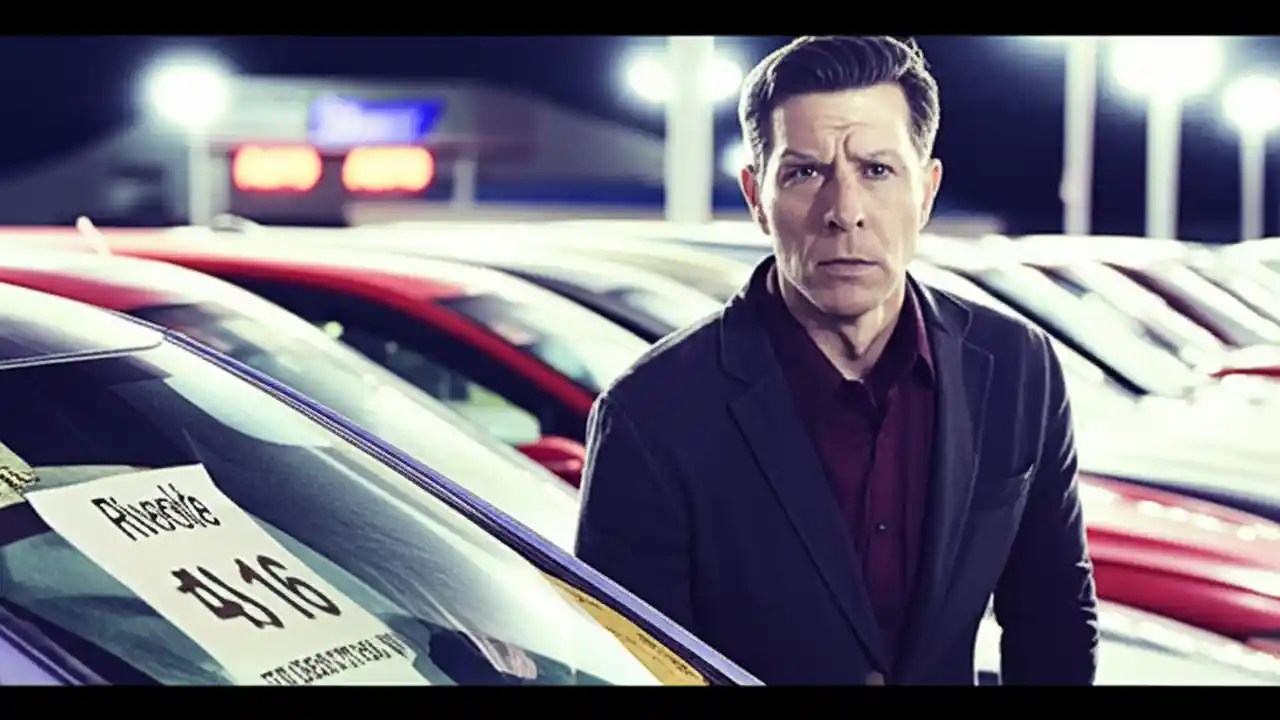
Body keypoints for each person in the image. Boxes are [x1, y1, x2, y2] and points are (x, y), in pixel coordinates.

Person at [573, 35, 1099, 685]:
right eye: (805, 172)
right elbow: (632, 667)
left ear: (926, 190)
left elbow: (1053, 616)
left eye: (877, 170)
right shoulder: (654, 413)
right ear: (756, 198)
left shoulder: (1016, 367)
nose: (844, 213)